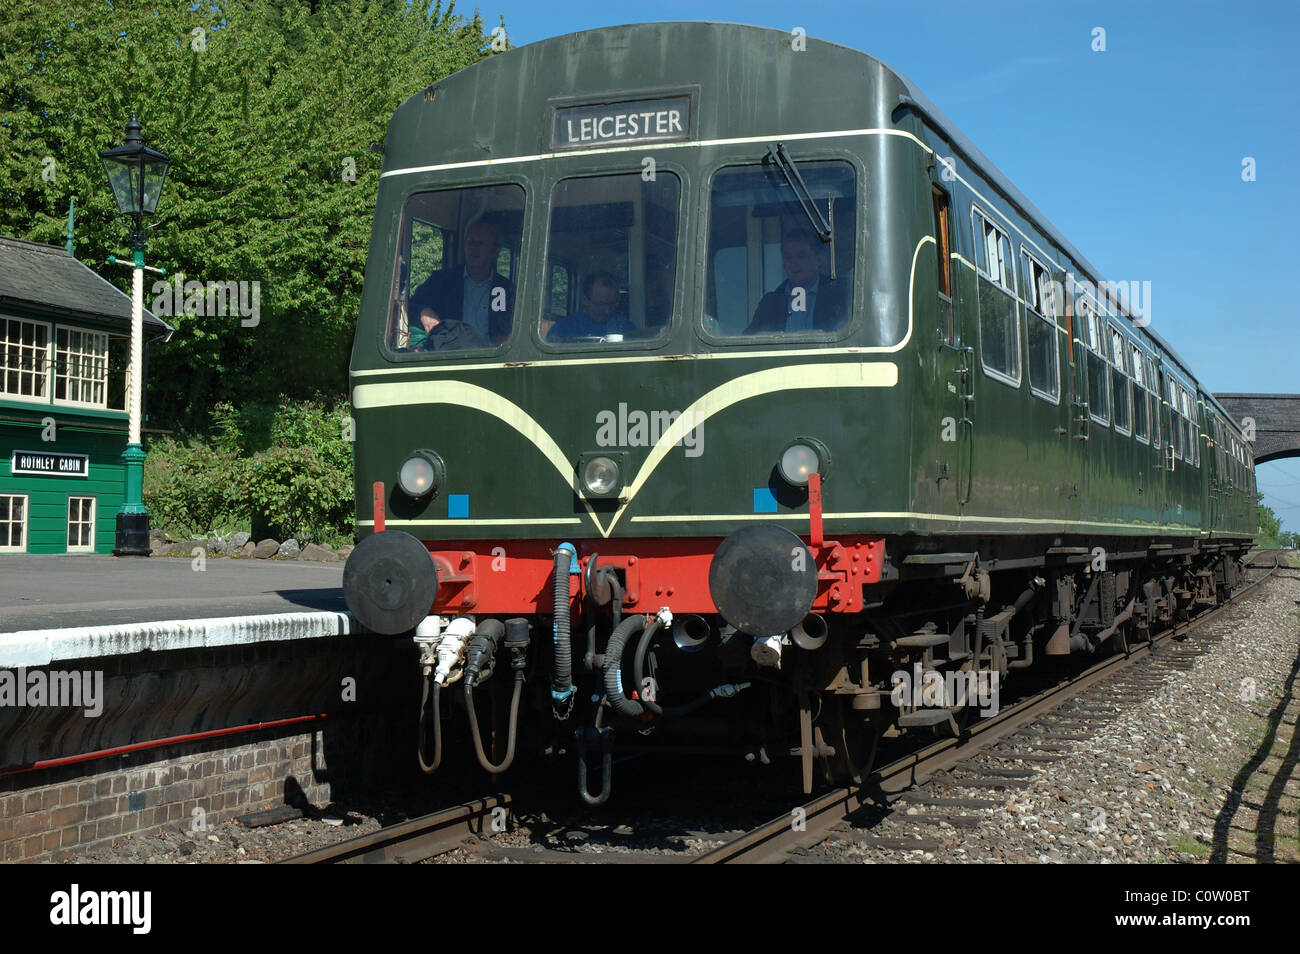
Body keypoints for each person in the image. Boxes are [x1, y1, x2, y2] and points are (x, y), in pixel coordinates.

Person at [409, 219, 514, 344]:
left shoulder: (505, 290)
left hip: (491, 358)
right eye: (470, 242)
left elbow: (509, 328)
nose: (474, 248)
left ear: (495, 251)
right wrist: (424, 312)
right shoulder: (443, 281)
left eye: (480, 243)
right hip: (450, 354)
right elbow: (411, 305)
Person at [743, 232, 848, 334]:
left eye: (801, 256)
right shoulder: (770, 303)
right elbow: (749, 340)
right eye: (788, 257)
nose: (793, 263)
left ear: (818, 259)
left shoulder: (841, 294)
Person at [547, 272, 635, 341]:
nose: (607, 311)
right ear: (585, 301)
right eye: (601, 305)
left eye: (613, 304)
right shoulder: (562, 330)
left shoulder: (627, 328)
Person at [412, 305, 489, 351]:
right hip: (449, 355)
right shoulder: (442, 281)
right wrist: (423, 310)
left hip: (492, 355)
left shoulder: (500, 283)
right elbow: (409, 303)